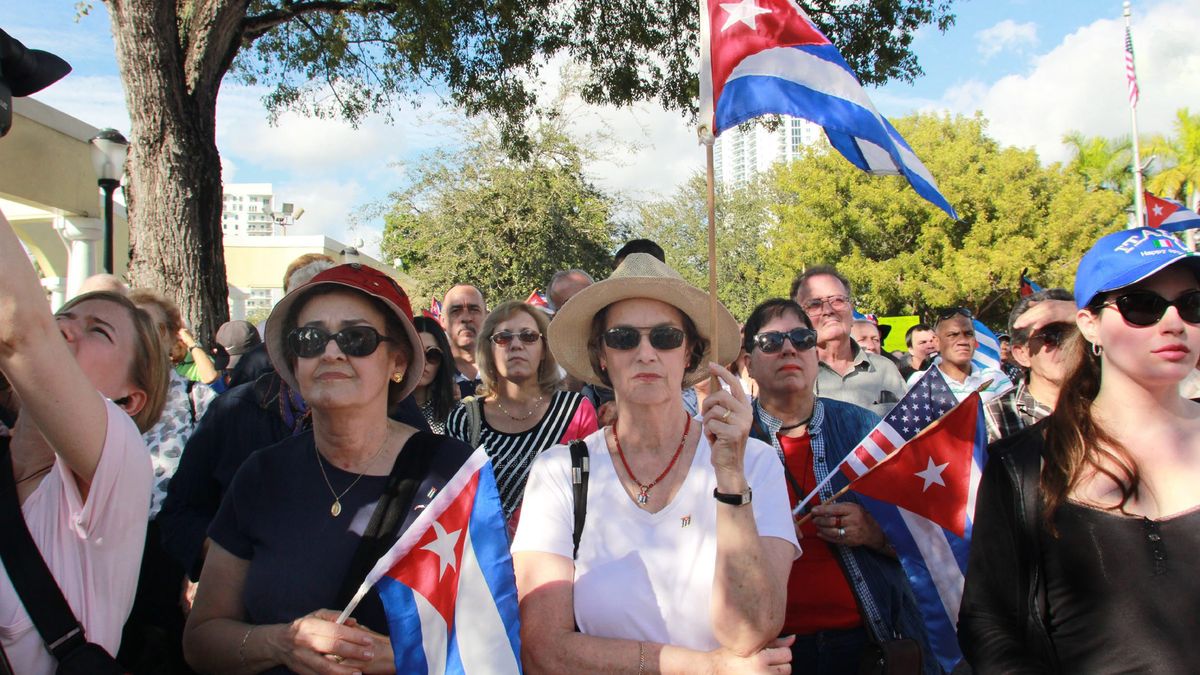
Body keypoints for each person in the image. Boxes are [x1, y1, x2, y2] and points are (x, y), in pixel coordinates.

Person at [183, 263, 487, 674]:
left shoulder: (454, 474)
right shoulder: (261, 475)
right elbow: (201, 641)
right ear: (295, 361)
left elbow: (494, 639)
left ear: (396, 360)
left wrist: (405, 660)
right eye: (310, 338)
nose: (331, 352)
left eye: (356, 337)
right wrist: (282, 643)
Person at [513, 253, 799, 672]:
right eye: (623, 337)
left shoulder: (754, 463)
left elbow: (750, 632)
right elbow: (544, 649)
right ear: (602, 356)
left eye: (665, 337)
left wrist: (730, 478)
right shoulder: (559, 472)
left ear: (689, 354)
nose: (645, 352)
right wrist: (709, 668)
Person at [959, 227, 1200, 671]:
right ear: (1090, 325)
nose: (1174, 323)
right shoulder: (1022, 465)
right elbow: (990, 624)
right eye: (1142, 306)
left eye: (1192, 305)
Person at [0, 208, 169, 673]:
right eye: (62, 316)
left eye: (98, 330)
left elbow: (21, 330)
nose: (63, 328)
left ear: (130, 399)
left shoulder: (122, 465)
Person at [742, 299, 937, 674]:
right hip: (768, 652)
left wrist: (873, 531)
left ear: (815, 354)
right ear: (749, 362)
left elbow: (927, 536)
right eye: (770, 342)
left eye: (801, 338)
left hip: (867, 642)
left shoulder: (865, 431)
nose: (788, 348)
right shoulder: (724, 441)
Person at [121, 289, 221, 672]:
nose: (141, 337)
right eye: (130, 327)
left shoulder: (200, 401)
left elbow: (215, 493)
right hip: (110, 551)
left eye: (150, 326)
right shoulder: (97, 403)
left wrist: (198, 571)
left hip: (173, 553)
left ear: (169, 338)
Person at [445, 300, 597, 528]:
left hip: (561, 552)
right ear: (488, 349)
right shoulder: (464, 419)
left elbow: (592, 495)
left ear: (544, 349)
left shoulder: (575, 410)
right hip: (486, 560)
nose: (516, 345)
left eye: (528, 336)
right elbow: (452, 506)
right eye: (503, 338)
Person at [791, 266, 906, 416]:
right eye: (814, 304)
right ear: (798, 318)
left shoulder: (885, 369)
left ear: (851, 310)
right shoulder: (790, 376)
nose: (828, 310)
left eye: (837, 300)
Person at [983, 289, 1076, 443]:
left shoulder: (1108, 403)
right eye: (1051, 337)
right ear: (1022, 354)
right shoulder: (993, 418)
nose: (1066, 345)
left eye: (1073, 335)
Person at [906, 309, 1012, 401]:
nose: (962, 341)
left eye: (968, 334)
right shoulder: (920, 382)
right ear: (937, 342)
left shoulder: (996, 379)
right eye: (953, 335)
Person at [411, 316, 459, 433]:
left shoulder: (457, 413)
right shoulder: (382, 410)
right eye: (415, 352)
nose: (423, 362)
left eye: (432, 354)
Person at [439, 283, 487, 398]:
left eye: (474, 309)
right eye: (456, 311)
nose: (466, 318)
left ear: (487, 317)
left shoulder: (505, 371)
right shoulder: (433, 375)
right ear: (442, 321)